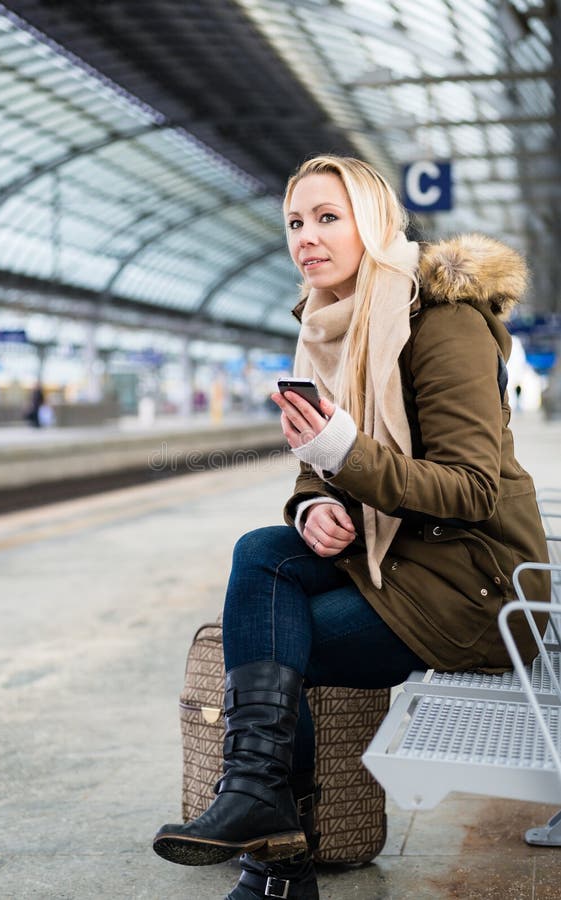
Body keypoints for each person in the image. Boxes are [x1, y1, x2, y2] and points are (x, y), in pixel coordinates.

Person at [152, 156, 550, 899]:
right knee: (264, 551)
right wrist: (315, 502)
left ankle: (274, 855)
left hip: (474, 585)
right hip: (393, 560)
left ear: (377, 224)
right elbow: (321, 463)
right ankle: (260, 804)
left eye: (327, 217)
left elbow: (468, 489)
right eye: (294, 222)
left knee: (276, 645)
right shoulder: (327, 326)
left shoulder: (443, 323)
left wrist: (342, 455)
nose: (306, 236)